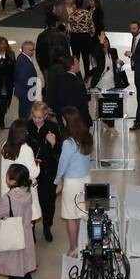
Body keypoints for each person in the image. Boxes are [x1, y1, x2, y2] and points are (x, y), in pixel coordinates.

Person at [0, 163, 39, 279]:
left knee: (16, 277)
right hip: (26, 236)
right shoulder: (27, 192)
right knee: (25, 273)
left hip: (13, 240)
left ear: (12, 181)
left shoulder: (9, 198)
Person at [54, 108, 93, 256]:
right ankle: (84, 245)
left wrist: (57, 181)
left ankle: (73, 247)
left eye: (63, 119)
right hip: (86, 180)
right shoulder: (87, 137)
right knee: (82, 214)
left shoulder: (68, 143)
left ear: (68, 121)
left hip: (72, 183)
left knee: (71, 217)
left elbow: (62, 165)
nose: (62, 122)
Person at [25, 102, 62, 241]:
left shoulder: (52, 127)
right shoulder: (27, 127)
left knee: (49, 203)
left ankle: (47, 227)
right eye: (34, 117)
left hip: (48, 171)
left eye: (40, 117)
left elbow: (59, 151)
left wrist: (53, 143)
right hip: (31, 173)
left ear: (46, 116)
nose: (37, 120)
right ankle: (32, 229)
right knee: (31, 202)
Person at [0, 120, 41, 228]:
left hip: (9, 190)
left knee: (15, 223)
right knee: (27, 224)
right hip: (25, 193)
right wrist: (37, 164)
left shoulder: (5, 146)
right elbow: (33, 173)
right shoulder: (27, 150)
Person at [44, 54, 92, 128]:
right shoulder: (79, 83)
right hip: (76, 119)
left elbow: (53, 97)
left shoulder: (58, 81)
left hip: (62, 118)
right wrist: (87, 120)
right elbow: (83, 104)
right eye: (77, 63)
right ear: (72, 66)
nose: (79, 64)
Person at [66, 0, 96, 80]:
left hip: (75, 37)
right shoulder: (88, 13)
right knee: (86, 57)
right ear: (83, 3)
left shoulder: (71, 14)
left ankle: (77, 75)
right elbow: (92, 28)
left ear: (75, 3)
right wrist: (90, 35)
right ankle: (86, 75)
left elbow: (69, 29)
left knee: (76, 58)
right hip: (85, 37)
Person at [14, 40, 43, 121]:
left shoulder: (23, 58)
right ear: (25, 50)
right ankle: (24, 128)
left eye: (33, 49)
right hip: (26, 93)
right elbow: (23, 78)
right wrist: (32, 91)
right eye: (31, 50)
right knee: (26, 113)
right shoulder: (24, 62)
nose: (33, 52)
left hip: (24, 92)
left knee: (24, 111)